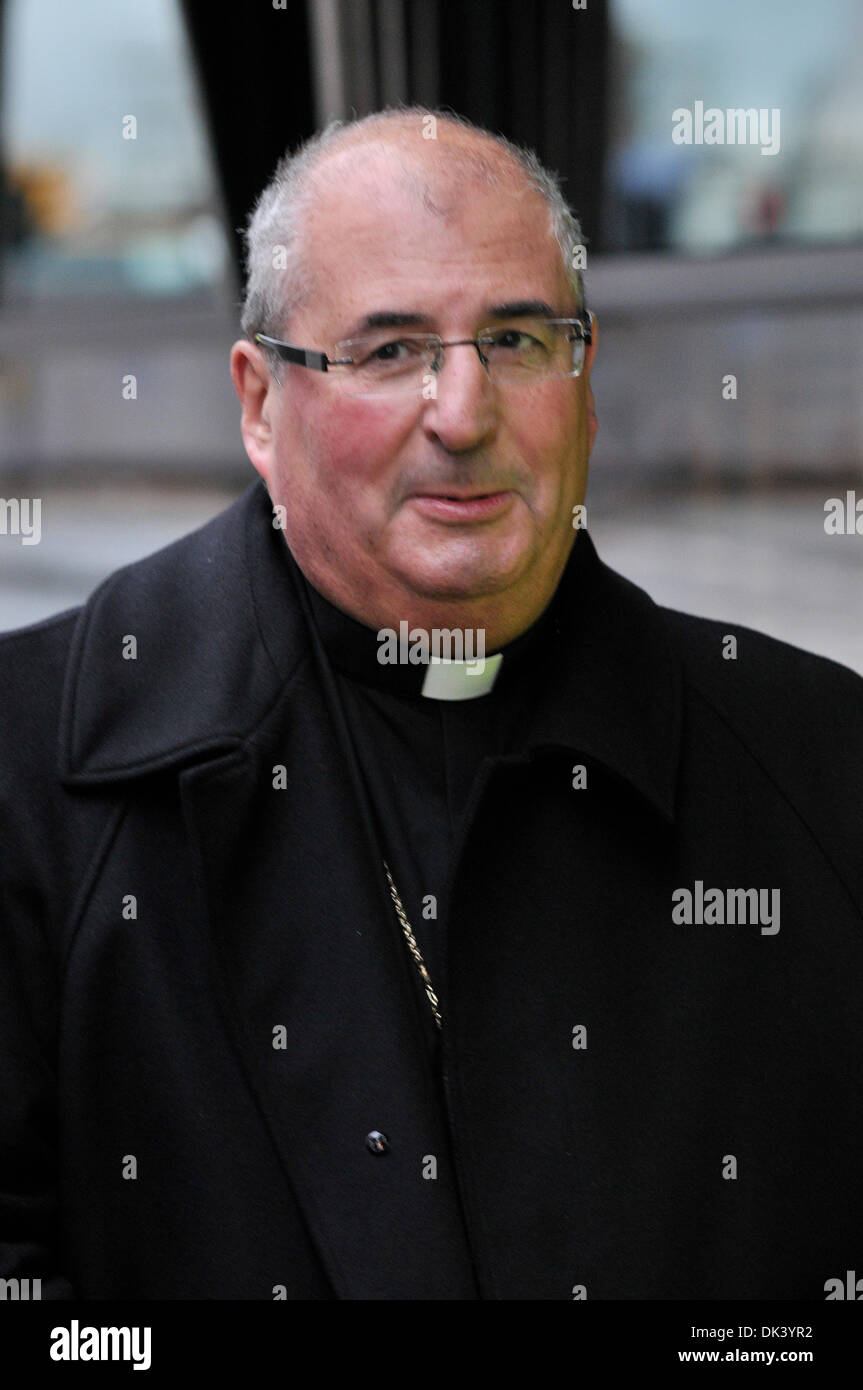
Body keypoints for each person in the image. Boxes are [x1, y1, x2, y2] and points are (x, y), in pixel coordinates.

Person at [1, 107, 862, 1302]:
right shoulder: (28, 770)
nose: (461, 415)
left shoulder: (820, 764)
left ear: (584, 383)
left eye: (513, 340)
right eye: (390, 349)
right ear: (259, 404)